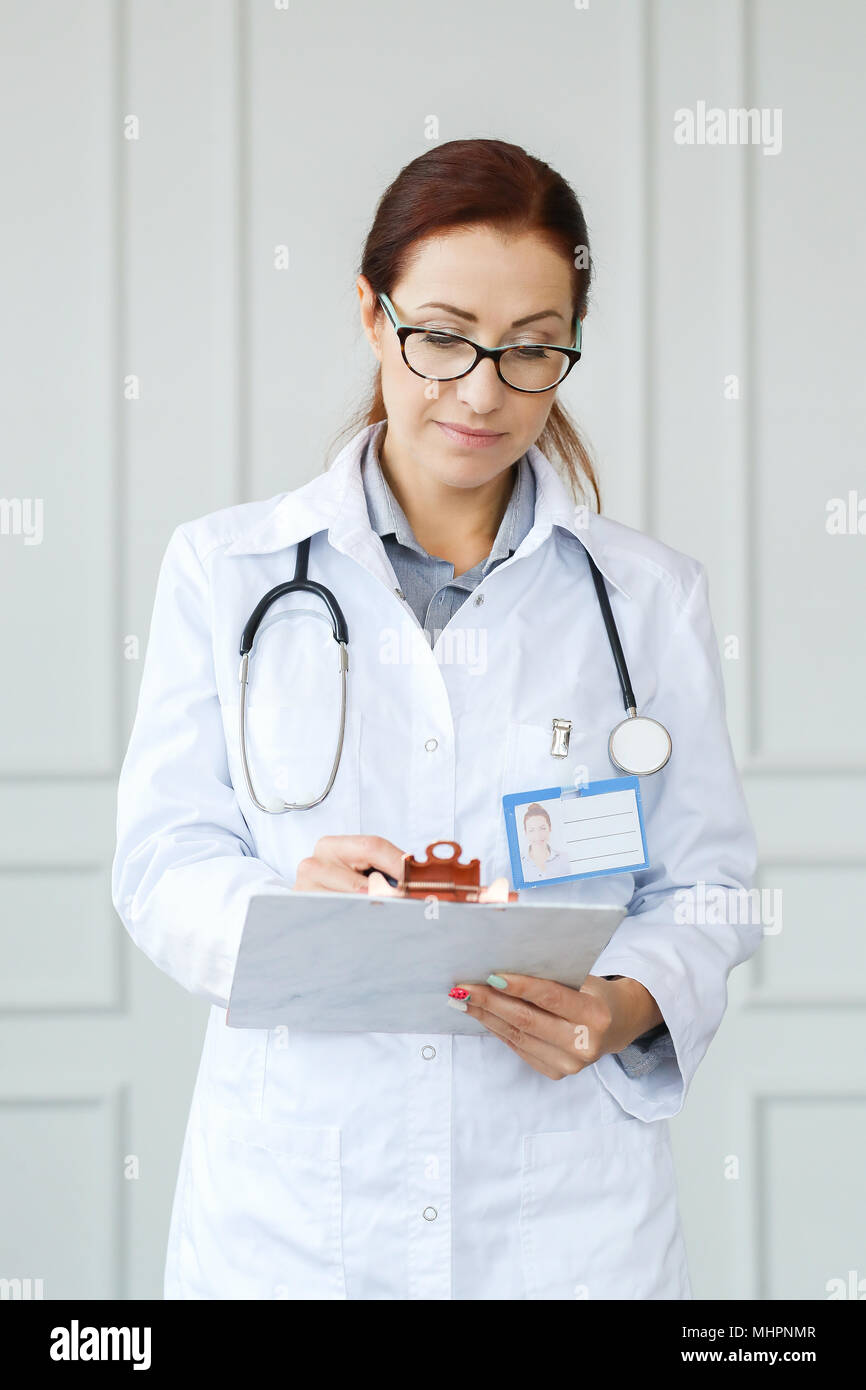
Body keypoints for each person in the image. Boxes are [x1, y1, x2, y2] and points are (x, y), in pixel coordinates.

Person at [111, 137, 760, 1301]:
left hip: (565, 1217)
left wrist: (620, 1007)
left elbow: (708, 888)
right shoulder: (227, 569)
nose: (480, 390)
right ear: (371, 314)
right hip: (299, 1204)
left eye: (529, 350)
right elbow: (161, 859)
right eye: (444, 335)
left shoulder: (646, 597)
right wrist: (280, 909)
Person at [520, 802, 570, 881]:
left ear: (549, 828)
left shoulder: (565, 859)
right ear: (526, 832)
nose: (538, 835)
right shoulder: (519, 863)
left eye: (542, 828)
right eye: (531, 830)